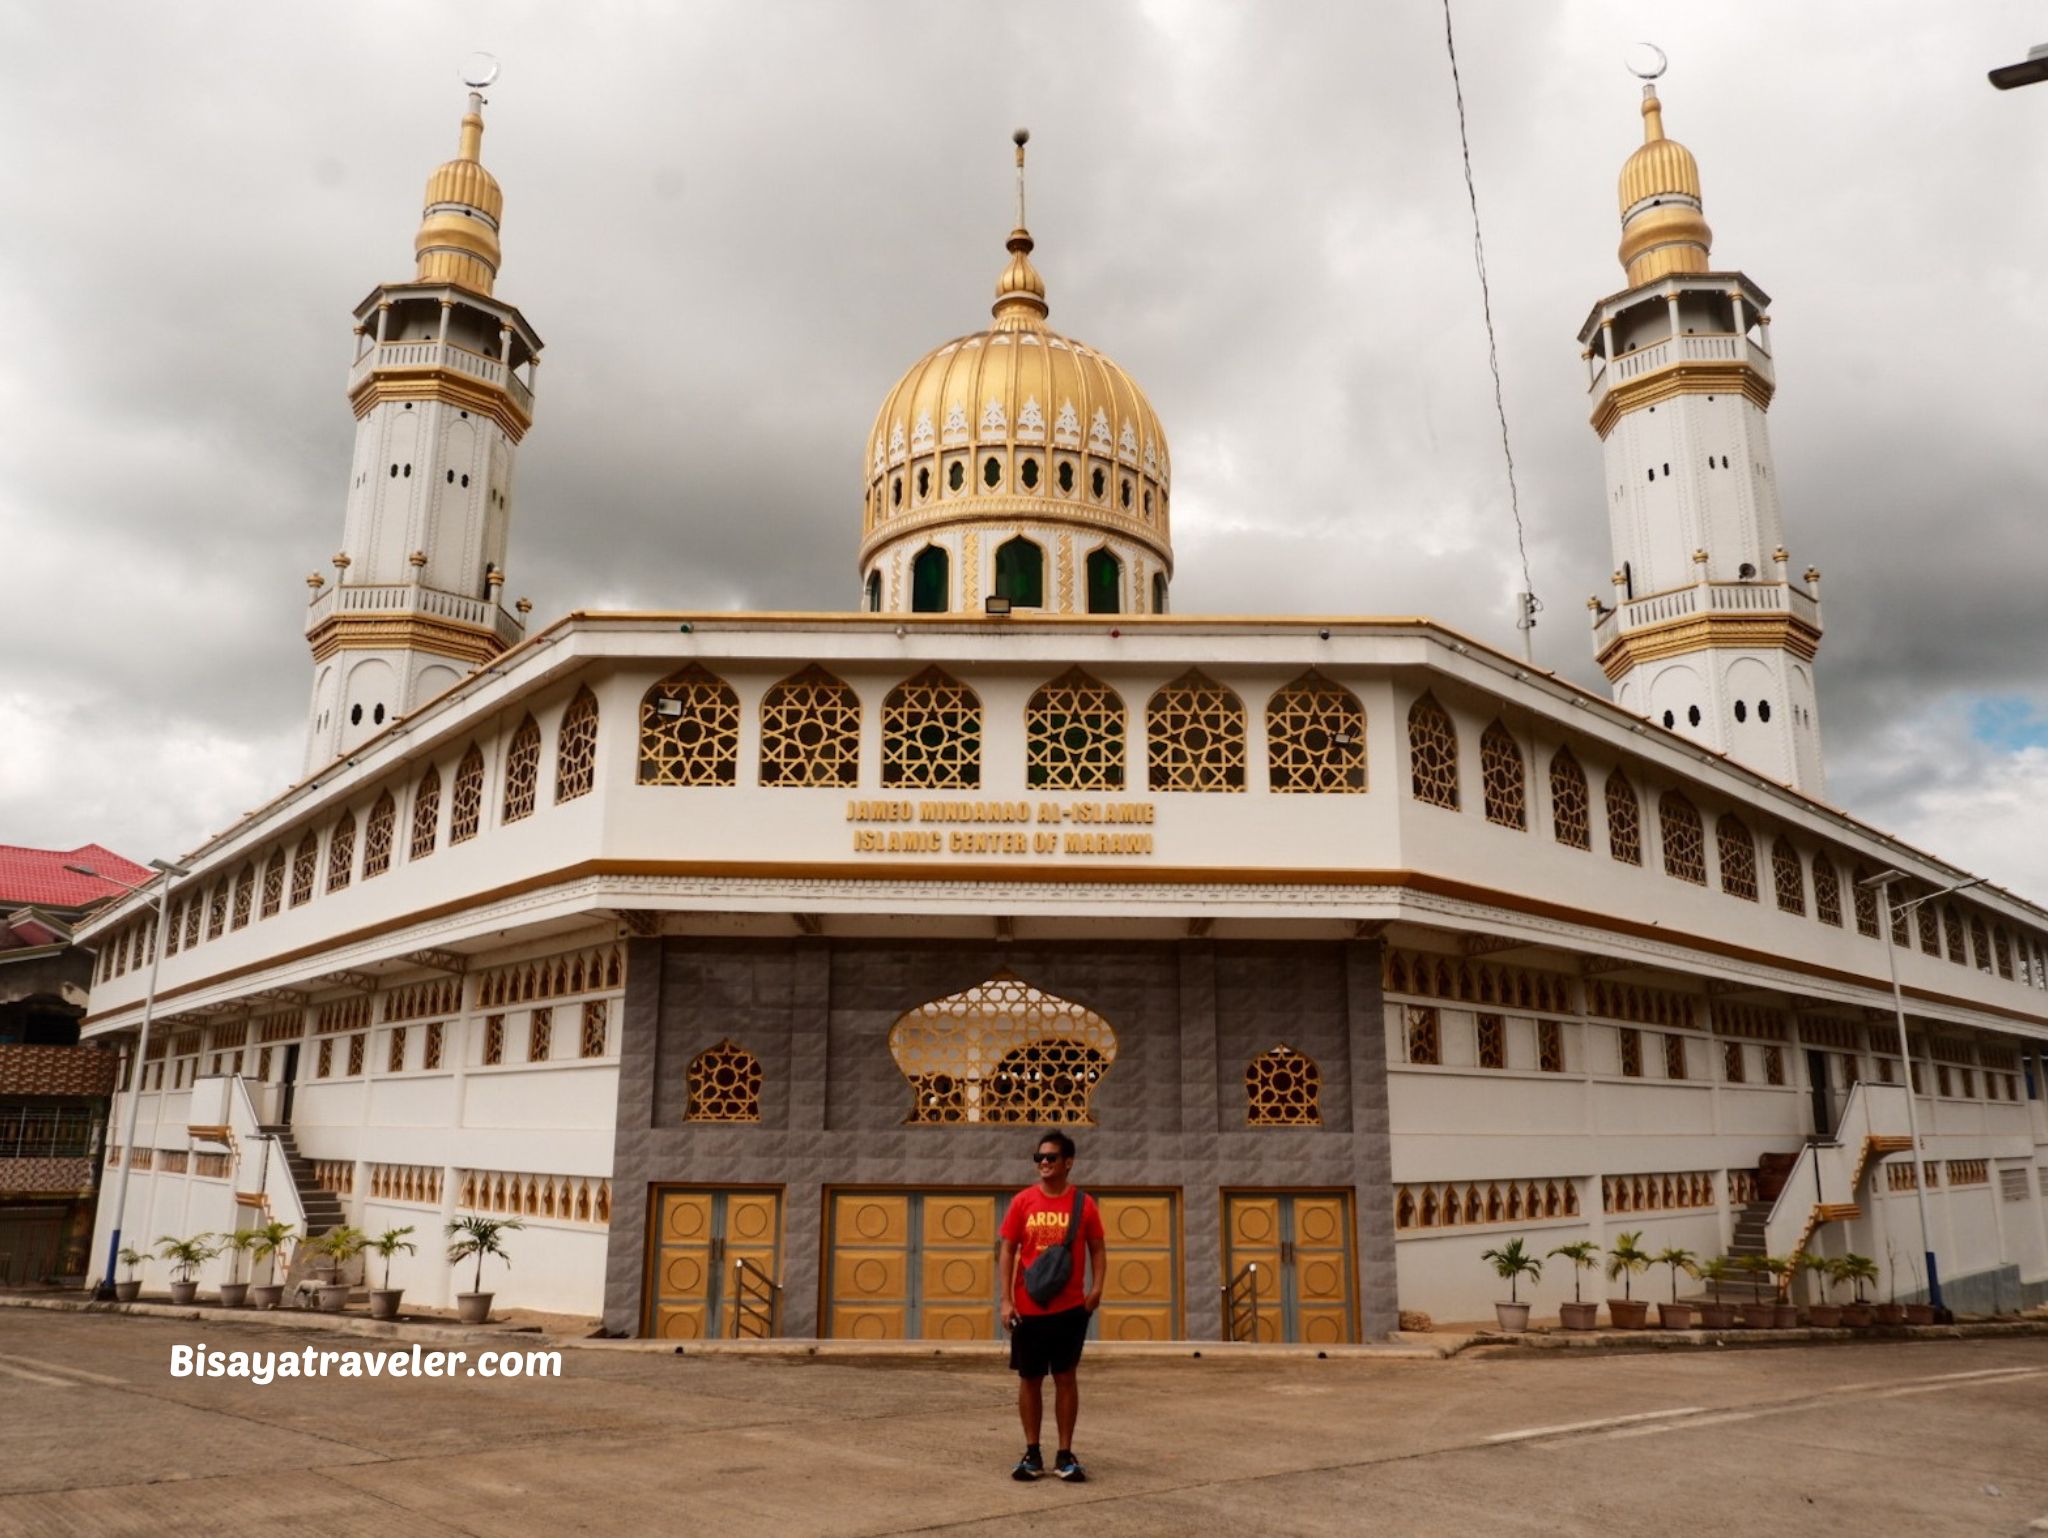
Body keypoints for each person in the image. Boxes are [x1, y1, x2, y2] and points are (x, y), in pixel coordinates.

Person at [997, 1129, 1106, 1483]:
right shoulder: (1023, 1202)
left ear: (1068, 1163)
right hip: (1028, 1309)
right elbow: (1008, 1250)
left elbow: (1098, 1248)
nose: (1044, 1163)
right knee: (1029, 1380)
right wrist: (1005, 1300)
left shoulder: (1083, 1204)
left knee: (1065, 1378)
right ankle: (1032, 1453)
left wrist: (1097, 1289)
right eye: (1039, 1158)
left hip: (1070, 1308)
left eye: (1051, 1157)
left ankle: (1065, 1453)